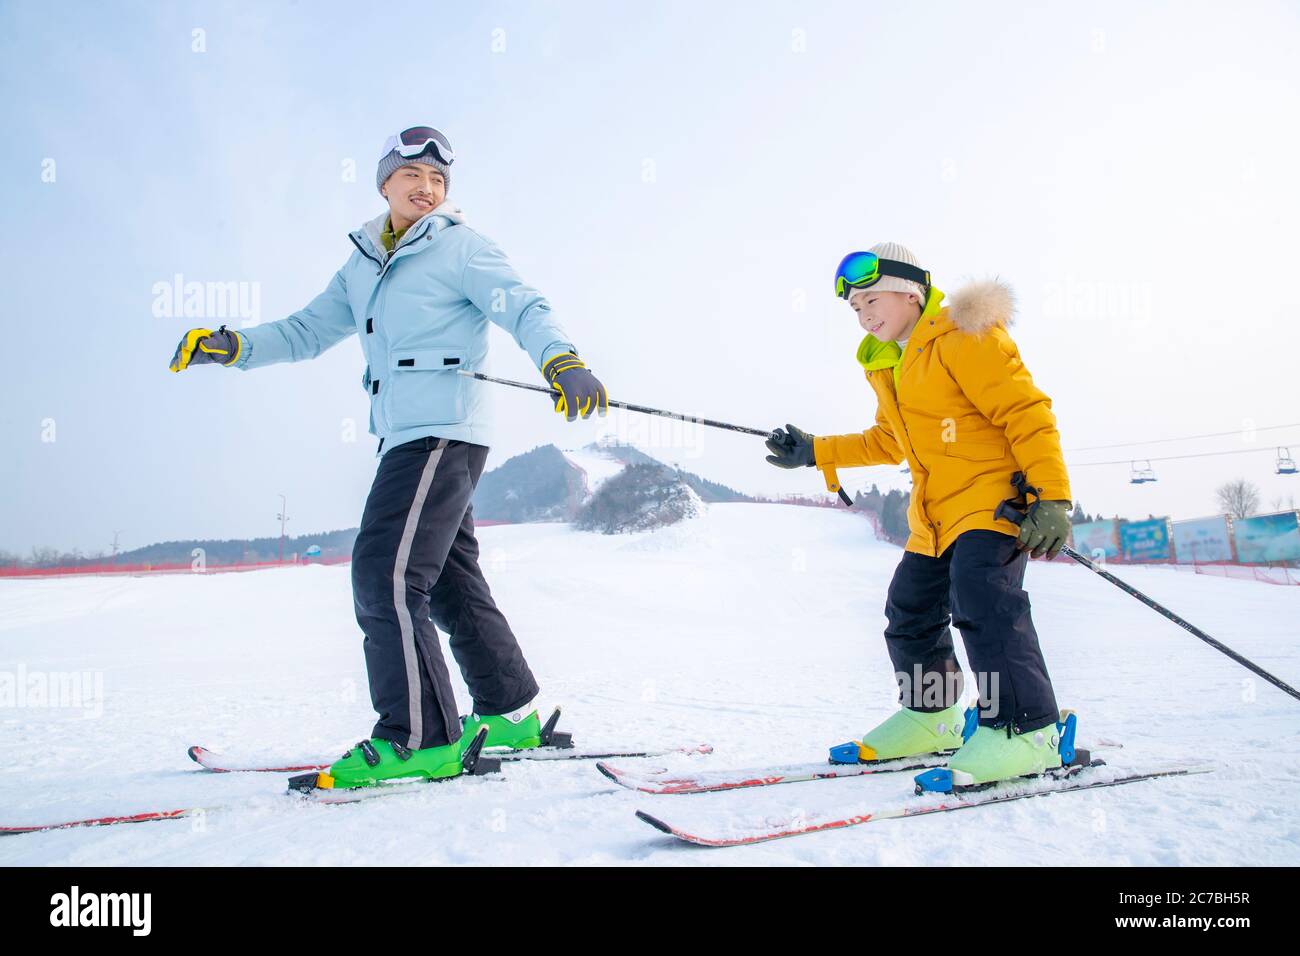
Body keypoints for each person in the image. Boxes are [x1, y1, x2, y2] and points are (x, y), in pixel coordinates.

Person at [168, 125, 607, 788]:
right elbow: (306, 330)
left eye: (437, 180)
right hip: (408, 434)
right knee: (450, 579)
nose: (426, 189)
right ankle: (510, 711)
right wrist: (235, 347)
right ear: (385, 183)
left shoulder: (459, 246)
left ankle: (418, 737)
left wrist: (561, 359)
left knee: (386, 573)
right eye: (413, 177)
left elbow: (521, 303)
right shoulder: (363, 263)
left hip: (442, 429)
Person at [764, 241, 1073, 787]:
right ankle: (934, 718)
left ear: (911, 292)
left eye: (871, 300)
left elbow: (1026, 411)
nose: (863, 314)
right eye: (855, 309)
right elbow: (890, 440)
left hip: (991, 501)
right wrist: (816, 450)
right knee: (909, 612)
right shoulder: (891, 363)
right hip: (934, 515)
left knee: (983, 601)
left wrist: (1052, 497)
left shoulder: (963, 336)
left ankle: (1028, 732)